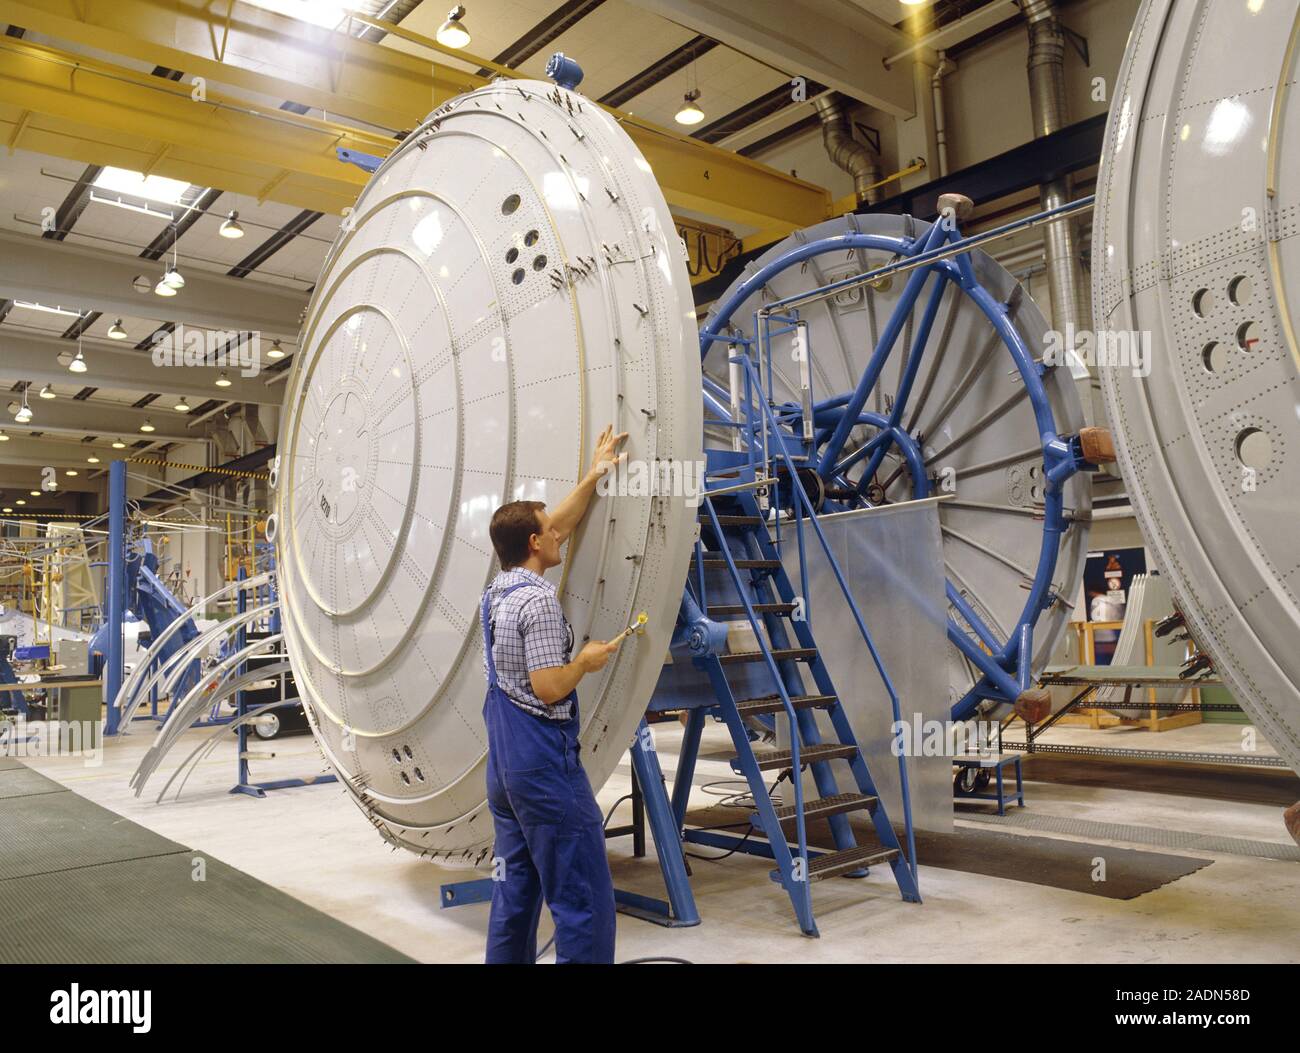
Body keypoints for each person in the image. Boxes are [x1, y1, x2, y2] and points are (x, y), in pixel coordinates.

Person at [481, 425, 628, 964]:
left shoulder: (498, 589)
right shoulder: (539, 602)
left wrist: (593, 475)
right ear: (535, 545)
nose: (559, 535)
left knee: (516, 890)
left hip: (505, 767)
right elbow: (547, 688)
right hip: (543, 767)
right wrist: (583, 663)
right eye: (550, 533)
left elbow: (559, 522)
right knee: (582, 895)